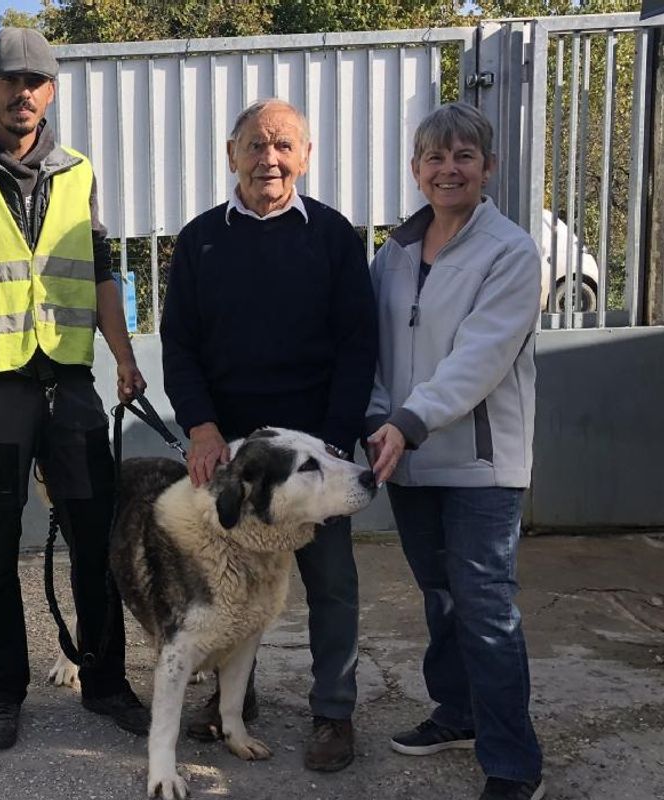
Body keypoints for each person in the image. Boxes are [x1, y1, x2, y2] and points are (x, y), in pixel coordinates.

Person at [0, 26, 149, 751]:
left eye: (36, 80)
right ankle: (2, 693)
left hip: (69, 383)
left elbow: (98, 273)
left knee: (95, 541)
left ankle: (105, 682)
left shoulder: (77, 170)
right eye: (10, 80)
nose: (23, 92)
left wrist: (124, 356)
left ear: (51, 90)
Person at [160, 98, 377, 773]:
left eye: (283, 145)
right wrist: (201, 427)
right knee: (231, 586)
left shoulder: (334, 237)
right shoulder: (200, 240)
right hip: (233, 461)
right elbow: (179, 344)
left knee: (331, 583)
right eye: (255, 145)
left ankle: (333, 712)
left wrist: (336, 444)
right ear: (232, 155)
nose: (269, 159)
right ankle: (234, 701)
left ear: (305, 156)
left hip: (315, 458)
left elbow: (357, 346)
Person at [367, 102, 545, 800]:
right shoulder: (393, 254)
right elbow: (372, 346)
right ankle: (459, 712)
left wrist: (407, 420)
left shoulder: (510, 252)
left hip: (480, 465)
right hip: (408, 458)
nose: (449, 169)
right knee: (440, 598)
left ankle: (513, 762)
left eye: (464, 156)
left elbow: (481, 358)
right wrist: (379, 417)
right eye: (435, 157)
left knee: (485, 607)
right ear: (417, 170)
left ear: (488, 167)